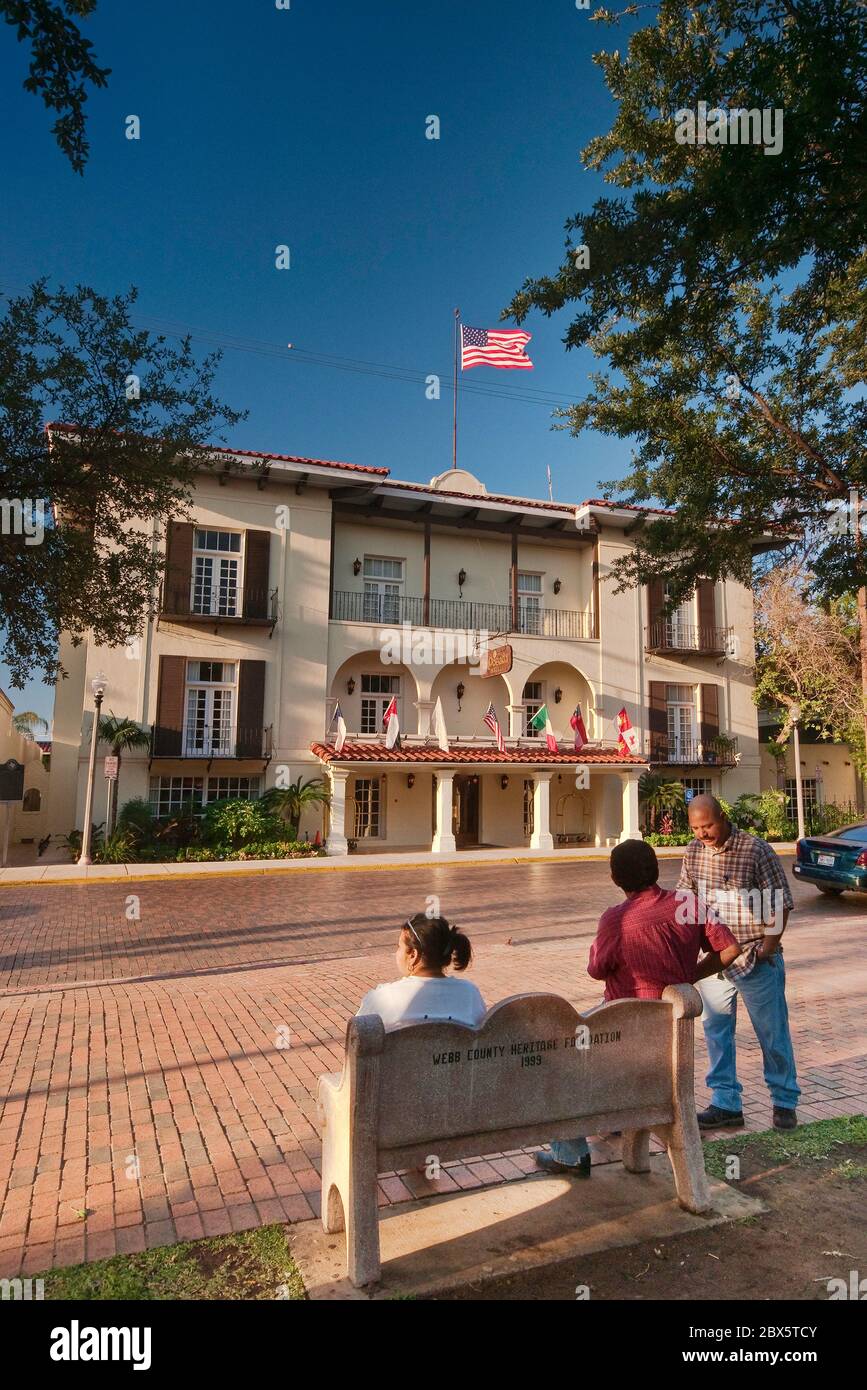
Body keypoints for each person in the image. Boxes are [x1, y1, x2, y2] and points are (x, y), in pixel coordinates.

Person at [536, 839, 740, 1177]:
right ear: (655, 869)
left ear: (617, 879)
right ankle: (615, 1118)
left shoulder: (616, 919)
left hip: (623, 1031)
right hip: (671, 1033)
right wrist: (687, 976)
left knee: (564, 1057)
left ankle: (570, 1154)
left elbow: (596, 970)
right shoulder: (688, 903)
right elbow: (729, 949)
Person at [678, 794, 799, 1131]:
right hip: (716, 961)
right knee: (716, 1033)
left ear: (723, 817)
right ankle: (725, 1102)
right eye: (696, 828)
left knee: (772, 1034)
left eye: (708, 825)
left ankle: (784, 1101)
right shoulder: (692, 852)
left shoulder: (755, 850)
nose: (703, 833)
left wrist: (769, 949)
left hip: (754, 956)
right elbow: (685, 900)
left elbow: (780, 904)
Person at [356, 912, 486, 1027]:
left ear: (413, 955)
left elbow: (357, 1041)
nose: (396, 953)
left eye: (399, 947)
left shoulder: (382, 998)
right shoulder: (470, 995)